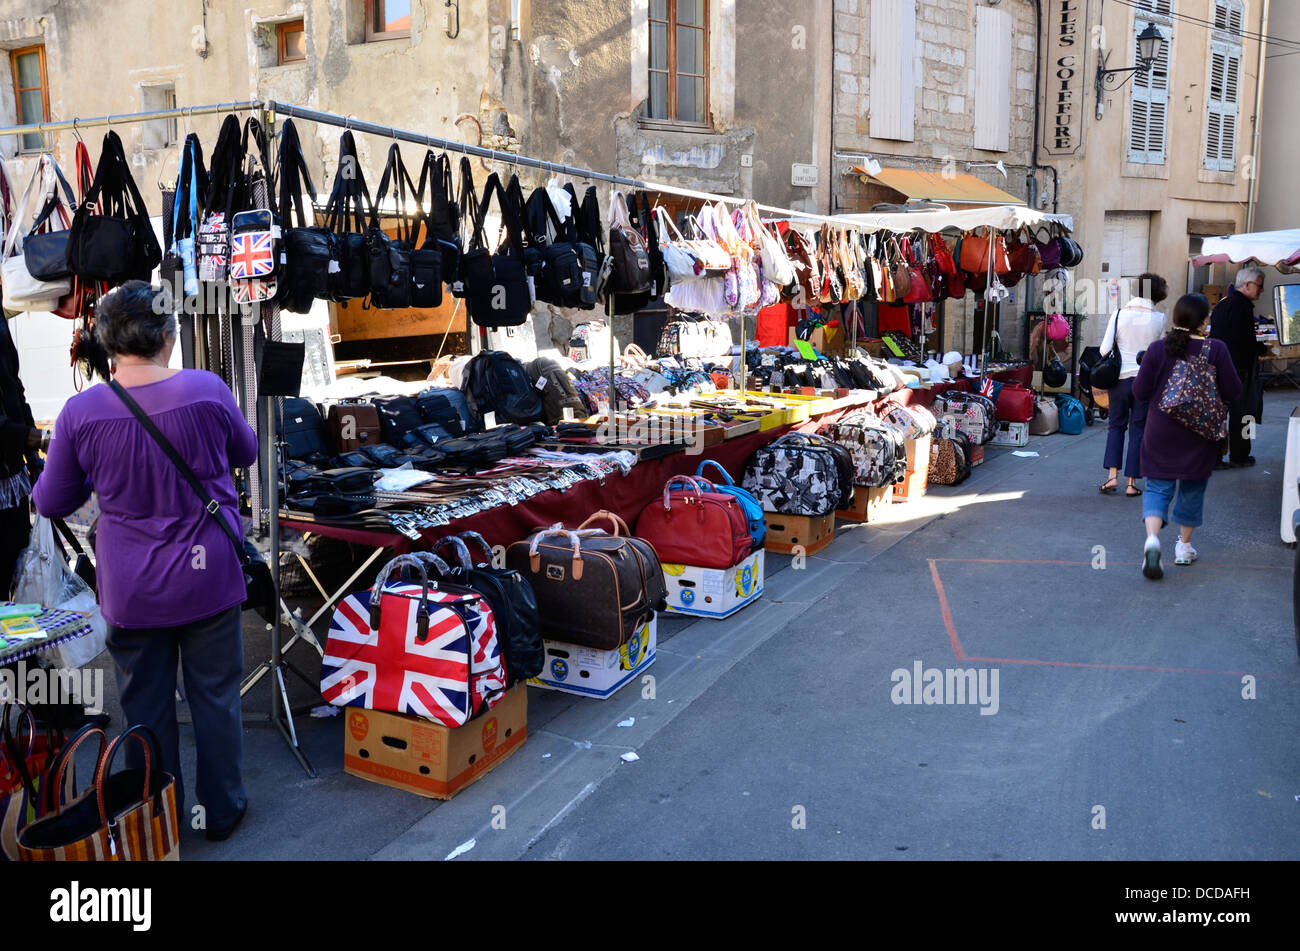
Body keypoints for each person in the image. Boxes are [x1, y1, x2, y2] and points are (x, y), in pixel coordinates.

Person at [32, 281, 257, 842]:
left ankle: (158, 820)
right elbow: (246, 452)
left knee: (145, 710)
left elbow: (51, 501)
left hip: (132, 589)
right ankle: (223, 810)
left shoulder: (81, 413)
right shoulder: (207, 390)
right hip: (210, 582)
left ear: (108, 344)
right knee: (215, 698)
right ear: (166, 337)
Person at [1132, 294, 1241, 579]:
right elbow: (1234, 389)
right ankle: (1184, 547)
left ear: (1177, 317)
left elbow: (1140, 392)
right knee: (1192, 490)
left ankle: (1152, 540)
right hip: (1200, 434)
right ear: (1204, 321)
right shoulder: (1216, 349)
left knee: (1157, 488)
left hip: (1160, 432)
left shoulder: (1157, 349)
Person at [1098, 273, 1168, 496]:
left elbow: (1103, 350)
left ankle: (1111, 478)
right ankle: (1131, 483)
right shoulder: (1160, 319)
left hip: (1118, 379)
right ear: (1158, 293)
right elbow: (1161, 352)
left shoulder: (1119, 314)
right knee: (1138, 429)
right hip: (1146, 381)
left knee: (1115, 426)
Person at [0, 311, 46, 599]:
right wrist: (32, 438)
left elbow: (15, 390)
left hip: (11, 481)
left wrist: (34, 459)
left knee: (16, 573)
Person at [1209, 267, 1268, 468]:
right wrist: (1260, 348)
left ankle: (1215, 456)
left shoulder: (1223, 305)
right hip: (1239, 369)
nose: (1261, 290)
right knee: (1246, 413)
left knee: (1218, 414)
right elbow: (1242, 340)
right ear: (1248, 285)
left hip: (1219, 368)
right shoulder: (1241, 307)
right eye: (1259, 286)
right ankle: (1241, 454)